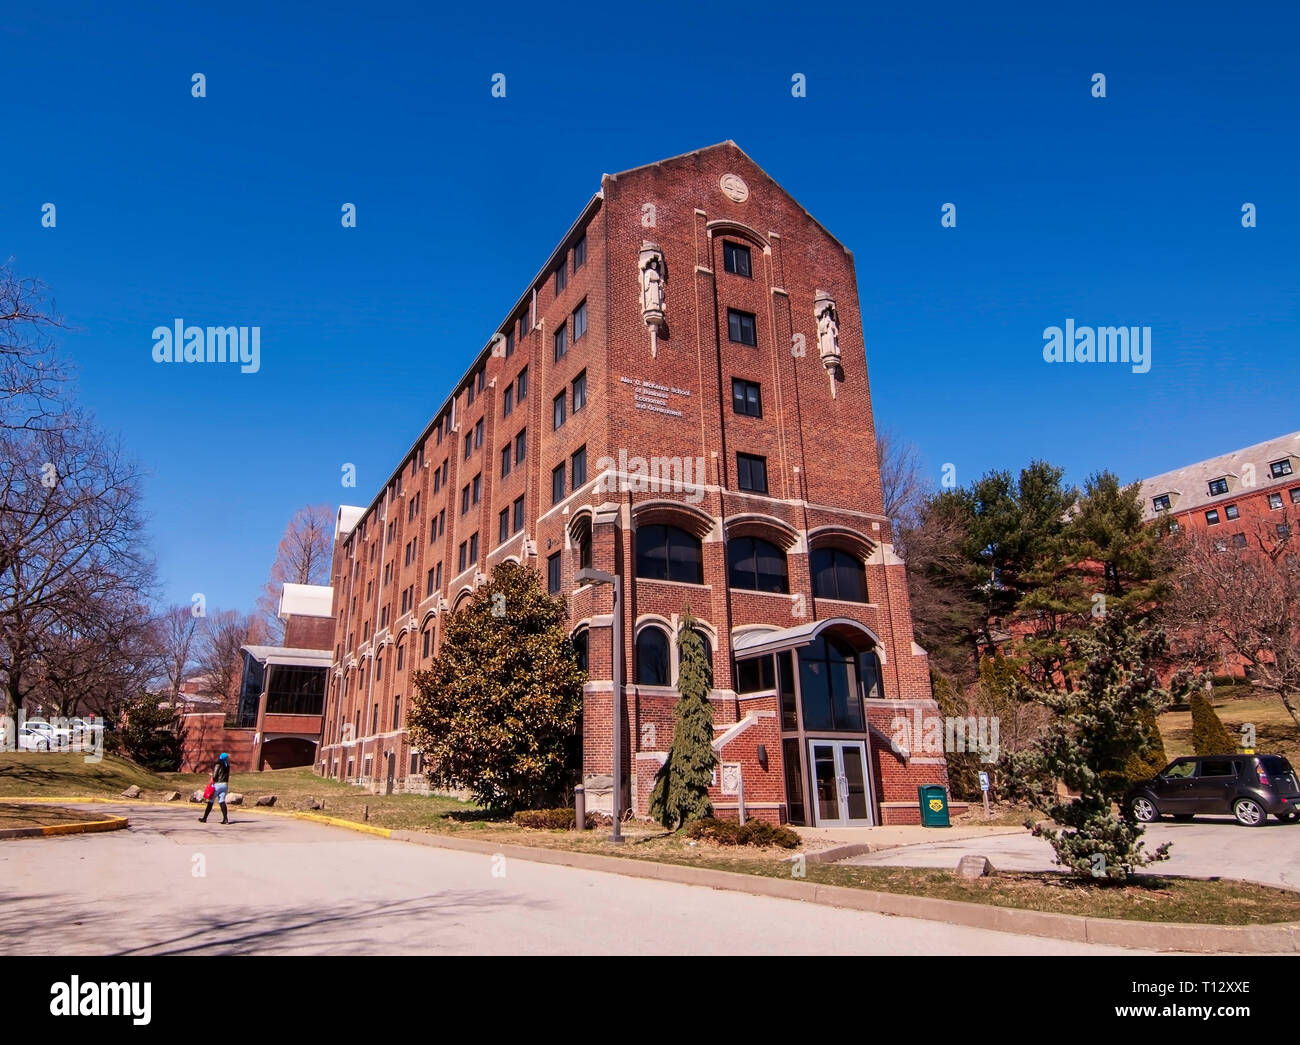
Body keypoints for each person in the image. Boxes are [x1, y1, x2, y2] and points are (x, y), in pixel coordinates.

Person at [199, 752, 231, 825]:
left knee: (211, 801)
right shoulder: (227, 765)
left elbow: (215, 775)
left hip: (218, 785)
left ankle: (204, 818)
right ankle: (225, 819)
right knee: (222, 801)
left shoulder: (218, 764)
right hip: (225, 785)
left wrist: (211, 776)